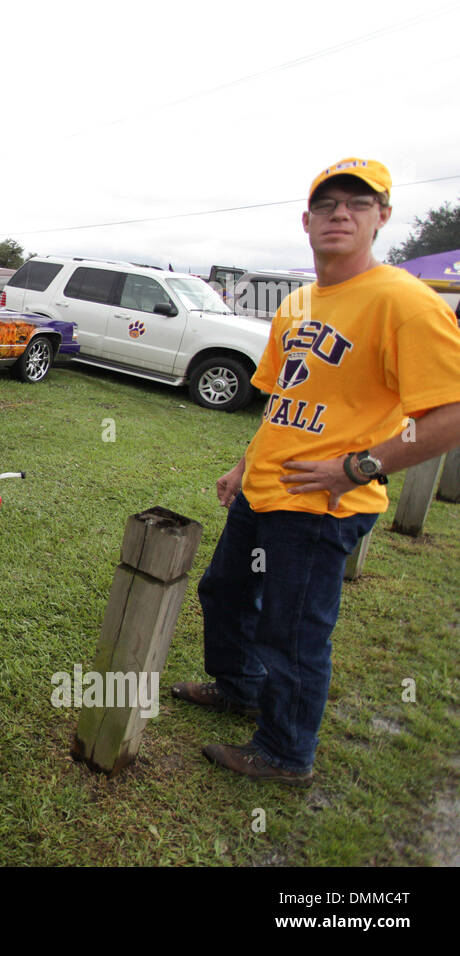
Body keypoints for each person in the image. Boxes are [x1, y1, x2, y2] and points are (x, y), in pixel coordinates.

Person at [174, 158, 460, 784]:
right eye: (328, 203)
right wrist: (241, 464)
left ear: (382, 217)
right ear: (306, 220)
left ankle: (285, 752)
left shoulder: (406, 304)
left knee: (293, 631)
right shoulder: (300, 301)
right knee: (223, 591)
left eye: (358, 203)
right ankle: (240, 687)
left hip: (322, 507)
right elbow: (283, 400)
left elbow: (448, 416)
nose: (340, 213)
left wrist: (358, 467)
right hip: (265, 488)